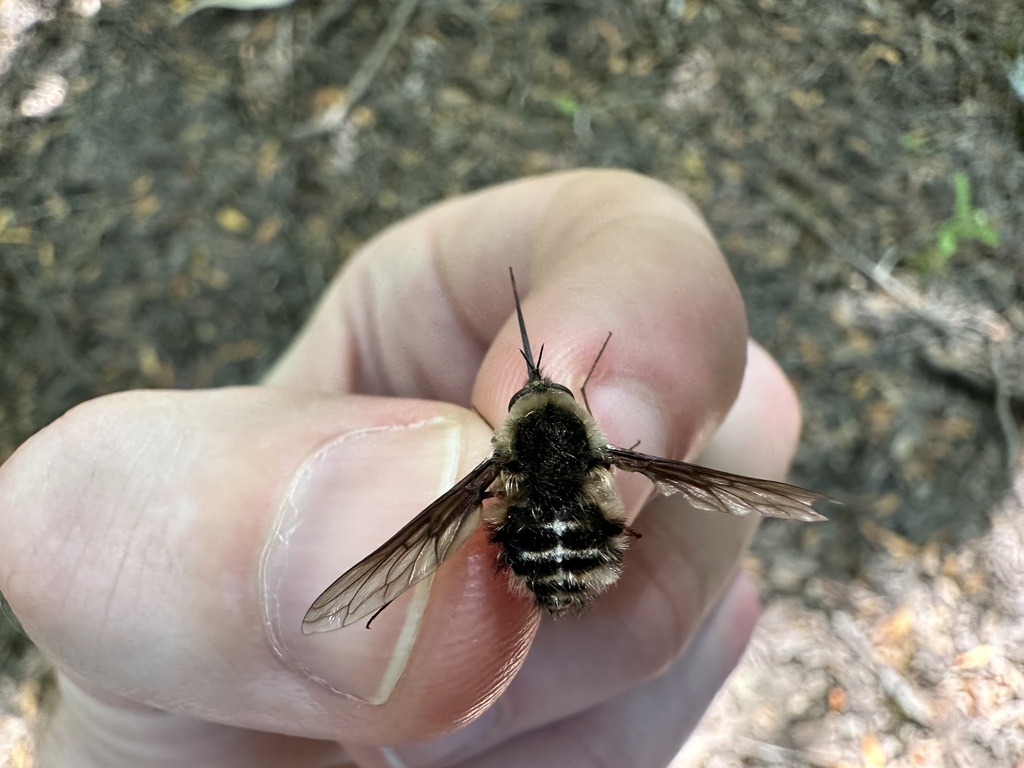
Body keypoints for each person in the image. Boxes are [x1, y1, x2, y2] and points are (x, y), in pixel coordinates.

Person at [0, 169, 805, 767]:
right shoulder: (601, 448)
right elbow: (693, 480)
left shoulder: (489, 468)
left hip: (527, 572)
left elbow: (443, 527)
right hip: (573, 567)